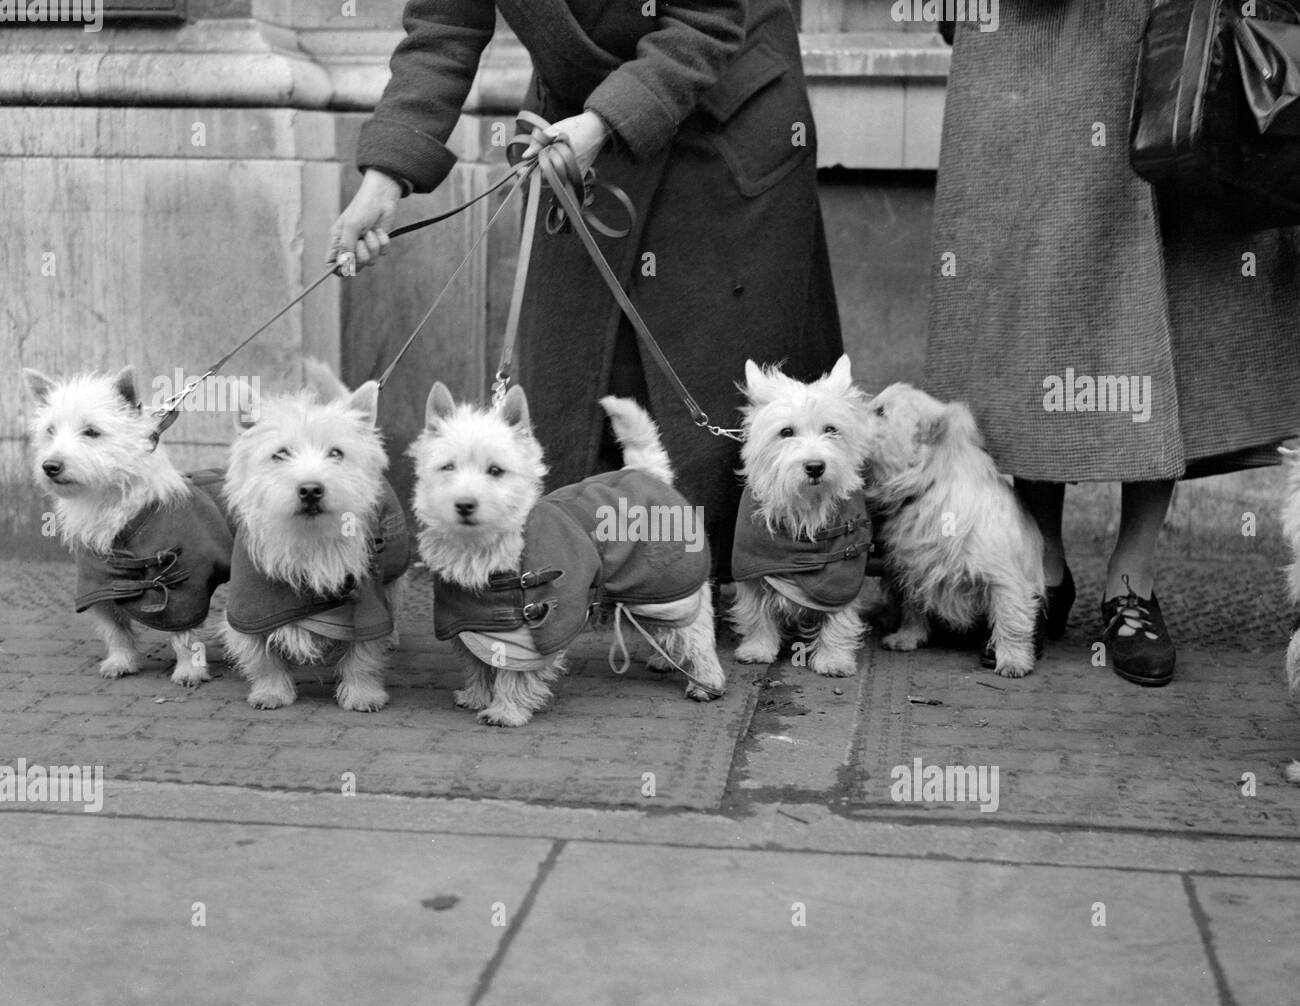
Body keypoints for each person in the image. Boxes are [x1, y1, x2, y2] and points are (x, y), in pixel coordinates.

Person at [328, 0, 843, 581]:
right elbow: (445, 27)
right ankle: (585, 567)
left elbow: (707, 21)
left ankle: (724, 578)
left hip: (725, 107)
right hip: (571, 123)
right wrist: (387, 174)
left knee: (711, 369)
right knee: (581, 364)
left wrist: (606, 121)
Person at [928, 5, 1300, 686]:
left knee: (1170, 303)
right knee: (1040, 297)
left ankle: (1133, 575)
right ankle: (1040, 565)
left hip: (1170, 39)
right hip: (1029, 44)